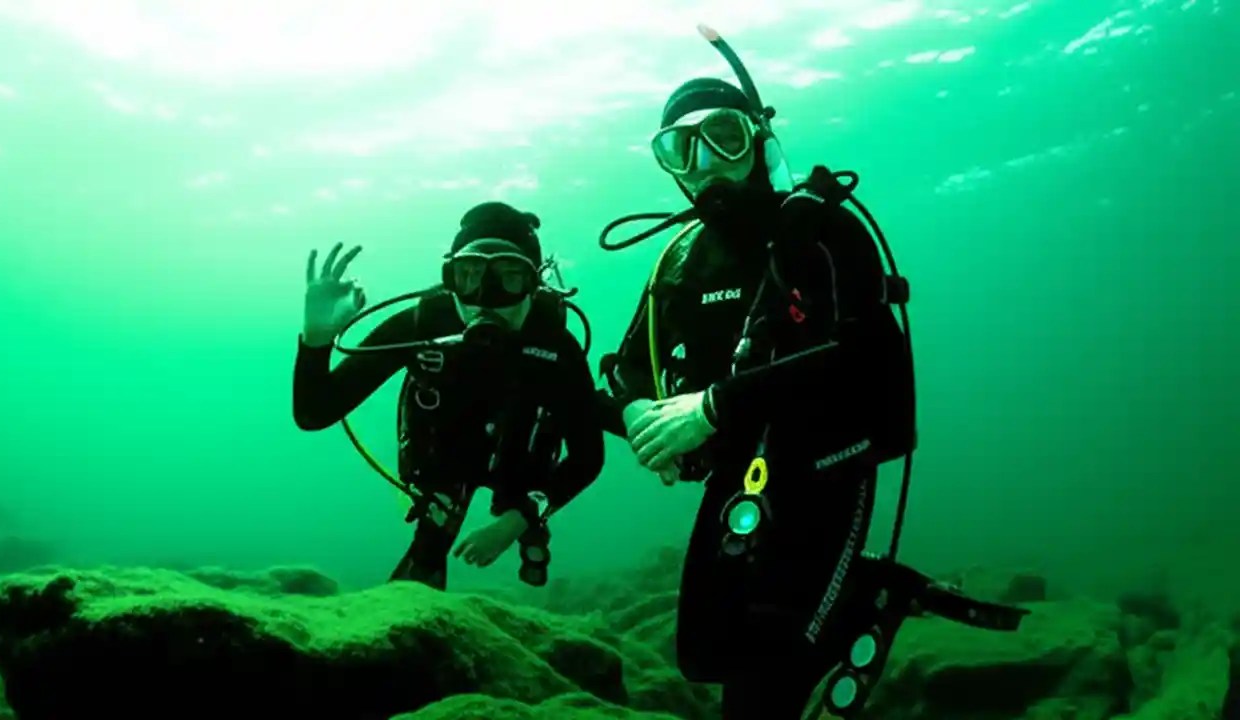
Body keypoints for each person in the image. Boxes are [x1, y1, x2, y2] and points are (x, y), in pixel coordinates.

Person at [596, 25, 1027, 720]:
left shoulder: (822, 231)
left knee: (763, 686)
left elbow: (866, 356)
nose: (705, 163)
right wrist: (638, 417)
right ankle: (873, 593)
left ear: (760, 142)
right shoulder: (679, 264)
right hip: (745, 465)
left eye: (724, 137)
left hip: (831, 466)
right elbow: (622, 375)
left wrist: (710, 408)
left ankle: (869, 598)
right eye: (681, 147)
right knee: (702, 655)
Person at [293, 201, 604, 591]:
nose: (486, 298)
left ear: (534, 283)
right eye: (470, 276)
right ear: (450, 278)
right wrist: (316, 339)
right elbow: (314, 412)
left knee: (520, 494)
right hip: (446, 460)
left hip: (521, 463)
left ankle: (528, 524)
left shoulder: (554, 344)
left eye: (509, 277)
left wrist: (517, 519)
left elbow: (588, 455)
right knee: (427, 553)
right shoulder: (423, 324)